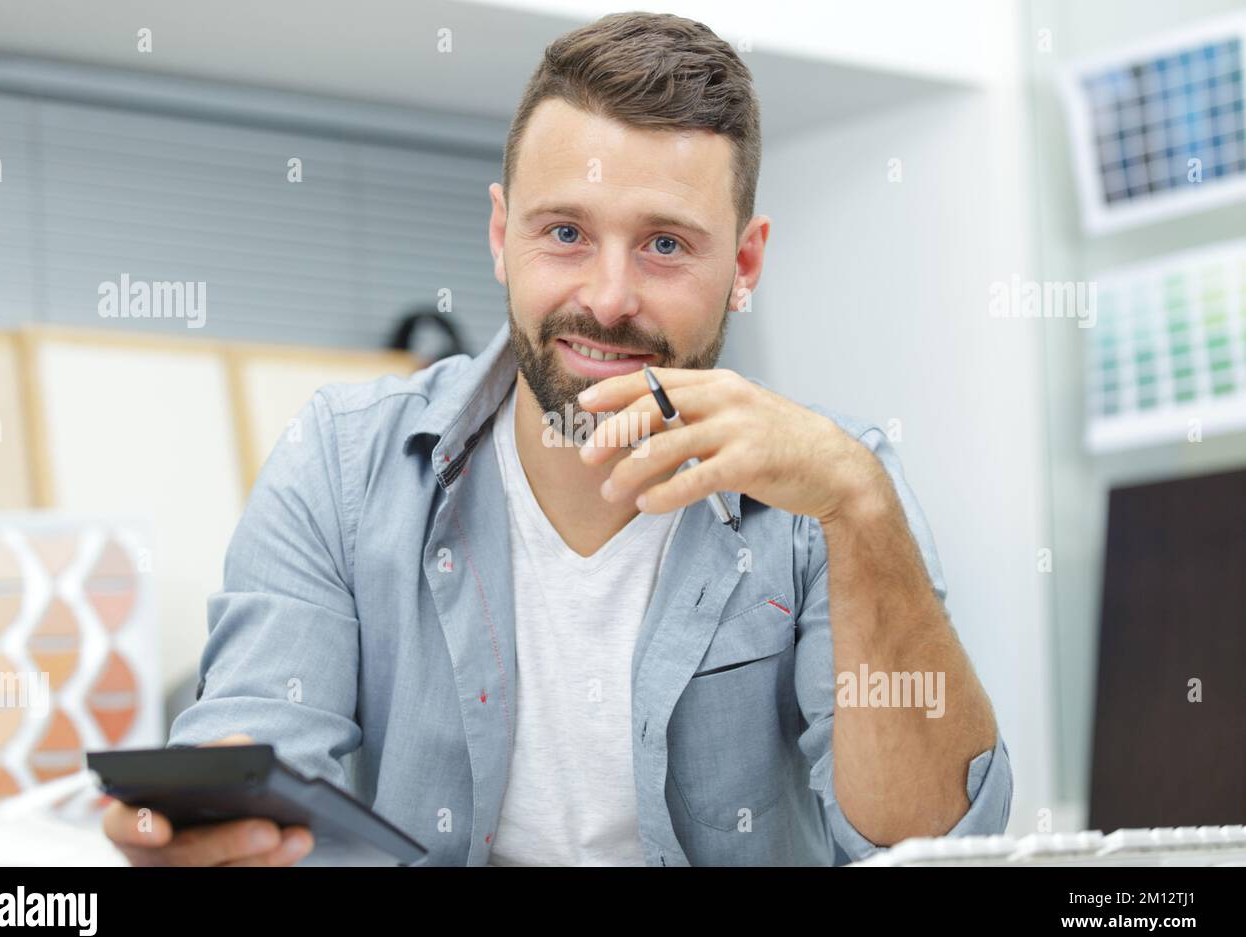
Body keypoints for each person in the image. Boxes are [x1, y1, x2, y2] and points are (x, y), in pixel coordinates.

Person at [104, 11, 1011, 867]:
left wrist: (858, 506)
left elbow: (928, 845)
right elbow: (262, 736)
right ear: (502, 236)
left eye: (664, 245)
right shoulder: (342, 467)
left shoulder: (835, 488)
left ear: (745, 264)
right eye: (566, 232)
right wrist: (209, 805)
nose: (610, 297)